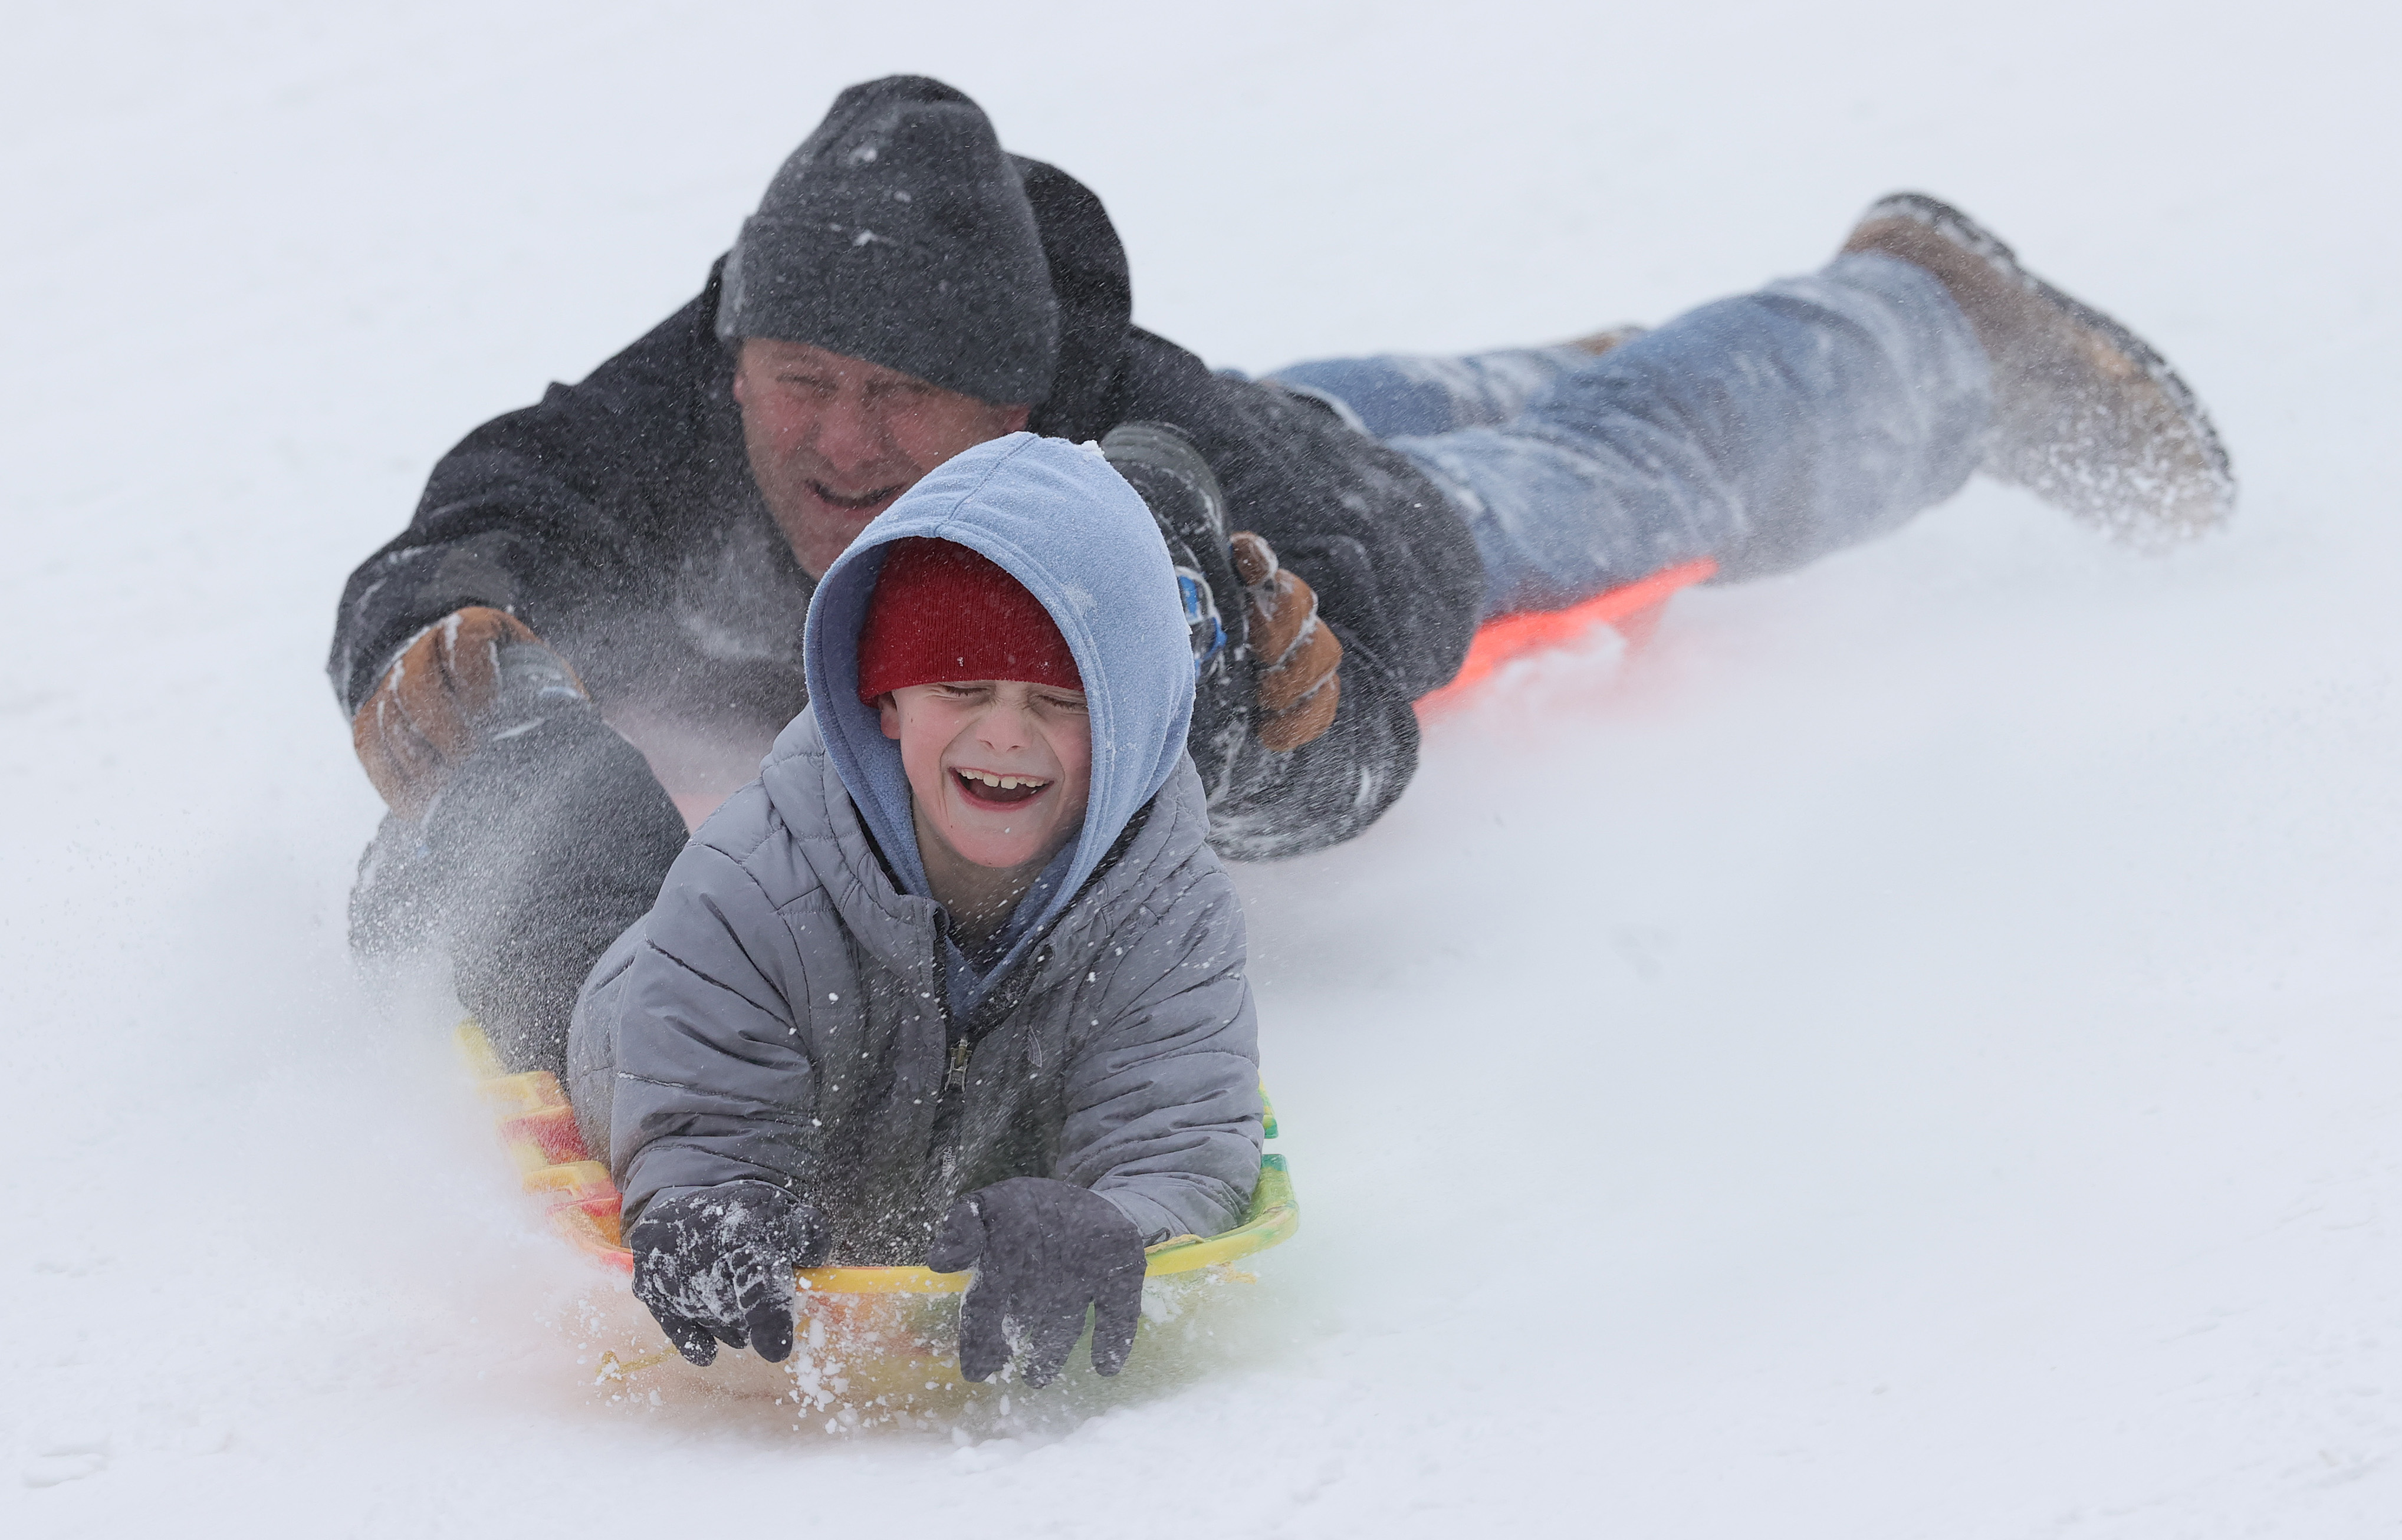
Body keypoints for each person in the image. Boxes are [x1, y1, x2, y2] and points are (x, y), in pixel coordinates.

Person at [330, 75, 2232, 1075]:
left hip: (1366, 520)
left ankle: (1918, 324)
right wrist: (431, 634)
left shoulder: (1154, 448)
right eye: (803, 385)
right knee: (1366, 410)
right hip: (1272, 428)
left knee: (1611, 474)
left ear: (1012, 397)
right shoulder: (694, 393)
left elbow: (1346, 700)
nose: (835, 444)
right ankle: (1602, 355)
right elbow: (491, 508)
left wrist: (1259, 713)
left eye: (900, 403)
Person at [565, 433, 1261, 1385]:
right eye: (959, 686)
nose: (1005, 734)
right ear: (886, 699)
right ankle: (516, 747)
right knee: (567, 855)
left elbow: (1179, 1146)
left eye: (1058, 701)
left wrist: (1114, 1223)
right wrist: (717, 1207)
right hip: (623, 1018)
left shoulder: (1167, 908)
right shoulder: (751, 888)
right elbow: (699, 1132)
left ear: (1127, 718)